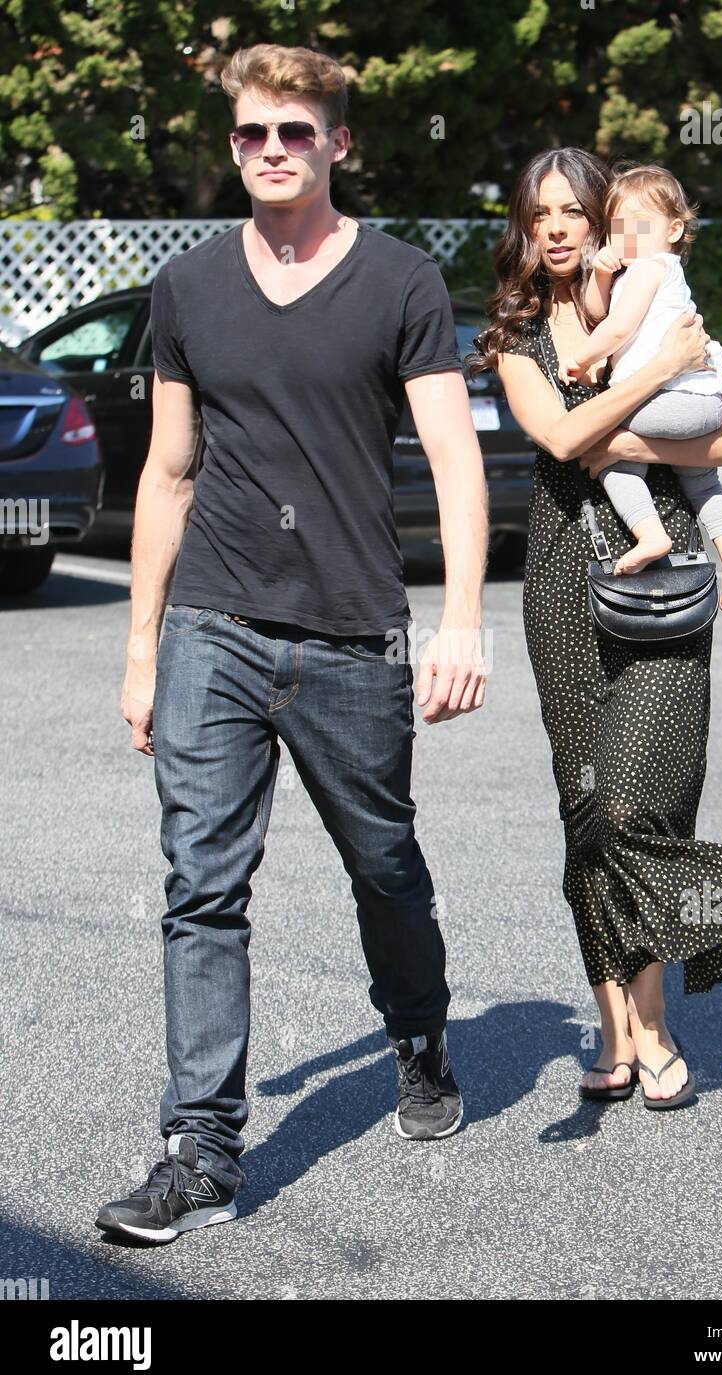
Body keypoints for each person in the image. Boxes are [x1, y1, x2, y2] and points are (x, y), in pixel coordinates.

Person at [96, 43, 488, 1246]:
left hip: (353, 631)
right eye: (252, 132)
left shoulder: (402, 280)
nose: (272, 150)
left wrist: (462, 618)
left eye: (296, 131)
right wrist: (142, 647)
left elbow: (453, 457)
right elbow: (169, 472)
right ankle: (200, 1149)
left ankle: (417, 1031)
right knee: (201, 887)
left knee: (385, 865)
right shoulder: (187, 288)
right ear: (234, 144)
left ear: (337, 143)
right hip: (213, 623)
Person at [470, 147, 722, 1110]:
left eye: (574, 211)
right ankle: (618, 1027)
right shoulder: (518, 338)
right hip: (561, 584)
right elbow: (562, 437)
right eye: (540, 214)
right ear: (524, 229)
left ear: (604, 219)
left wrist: (640, 407)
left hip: (665, 582)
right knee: (585, 814)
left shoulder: (657, 303)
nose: (557, 228)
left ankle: (658, 1015)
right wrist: (655, 375)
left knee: (633, 807)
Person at [556, 163, 722, 608]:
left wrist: (582, 358)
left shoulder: (650, 269)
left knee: (610, 454)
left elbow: (615, 327)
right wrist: (601, 274)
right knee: (703, 483)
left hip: (666, 399)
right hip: (701, 400)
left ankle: (650, 534)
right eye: (618, 226)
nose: (627, 236)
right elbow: (597, 308)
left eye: (640, 225)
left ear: (674, 230)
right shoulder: (648, 272)